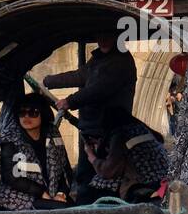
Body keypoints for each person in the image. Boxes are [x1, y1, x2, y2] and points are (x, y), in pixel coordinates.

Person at [43, 28, 137, 196]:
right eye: (100, 35)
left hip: (108, 131)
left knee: (99, 180)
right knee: (86, 177)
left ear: (117, 36)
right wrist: (49, 81)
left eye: (108, 35)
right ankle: (86, 205)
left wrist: (69, 101)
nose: (103, 39)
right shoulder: (98, 59)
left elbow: (99, 89)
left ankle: (93, 210)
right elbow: (80, 76)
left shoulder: (120, 61)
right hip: (91, 129)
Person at [0, 93, 72, 210]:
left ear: (43, 113)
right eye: (22, 113)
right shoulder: (9, 138)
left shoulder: (52, 133)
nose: (26, 117)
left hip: (51, 197)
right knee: (62, 209)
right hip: (20, 197)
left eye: (33, 112)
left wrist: (61, 194)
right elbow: (10, 177)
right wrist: (41, 193)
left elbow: (65, 169)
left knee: (76, 207)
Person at [78, 109, 169, 205]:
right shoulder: (141, 129)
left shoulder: (120, 135)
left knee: (97, 185)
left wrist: (91, 157)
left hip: (142, 185)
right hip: (162, 179)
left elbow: (108, 171)